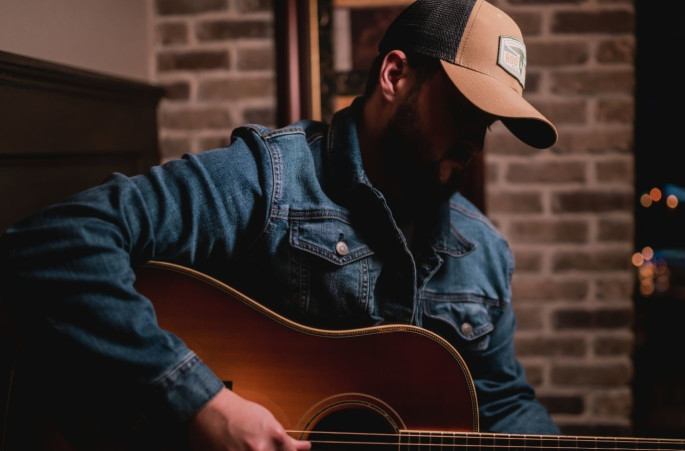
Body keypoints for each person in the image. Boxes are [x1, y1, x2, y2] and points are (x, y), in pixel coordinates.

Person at [0, 0, 560, 449]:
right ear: (395, 75)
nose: (473, 142)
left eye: (485, 125)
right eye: (464, 109)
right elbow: (57, 241)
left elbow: (501, 400)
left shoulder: (483, 250)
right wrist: (201, 402)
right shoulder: (268, 178)